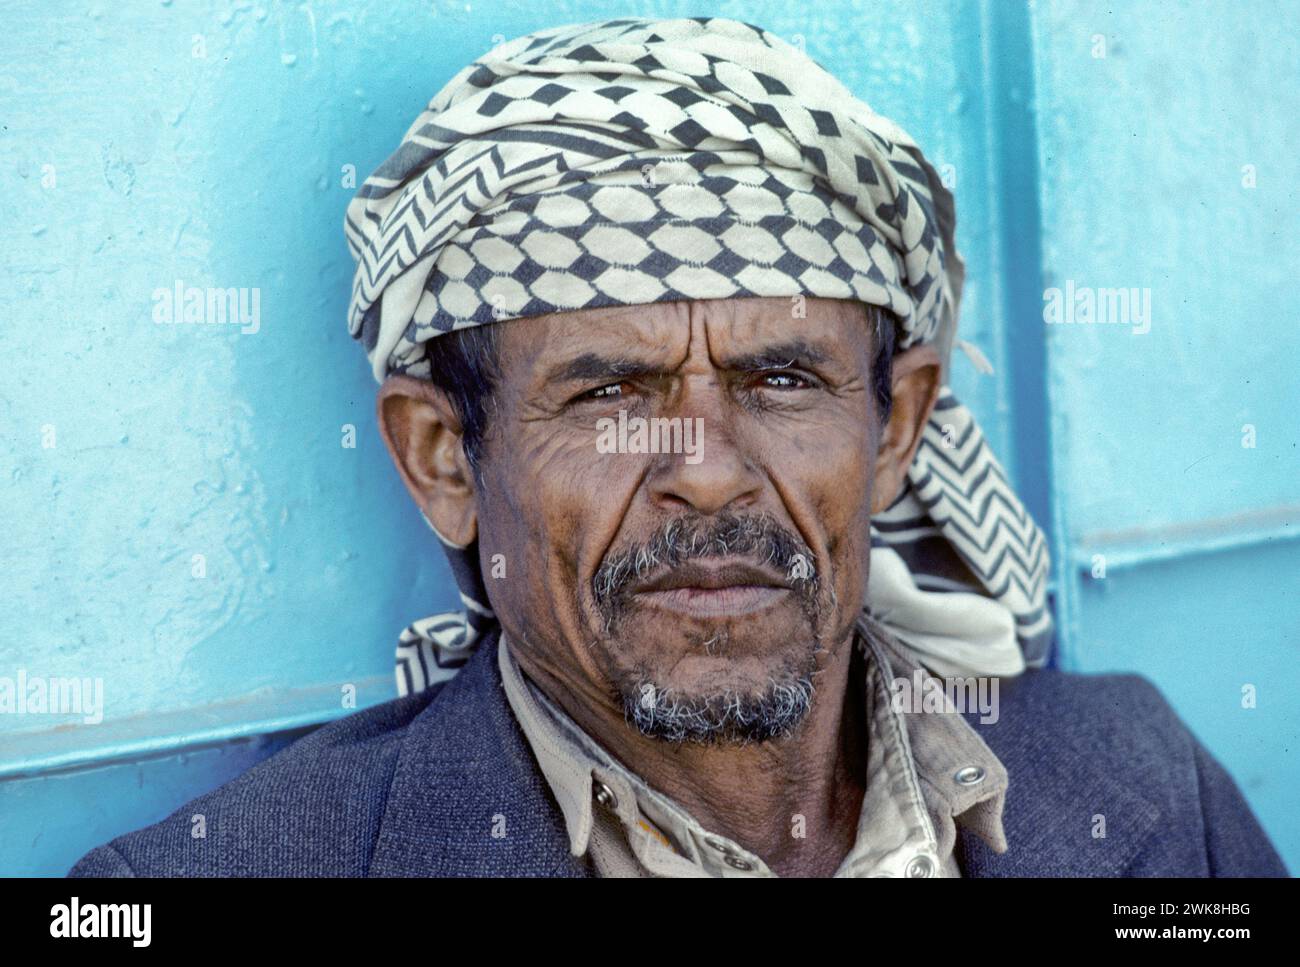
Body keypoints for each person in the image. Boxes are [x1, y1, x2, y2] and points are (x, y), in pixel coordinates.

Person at [69, 17, 1286, 878]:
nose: (704, 465)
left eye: (783, 377)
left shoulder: (1141, 778)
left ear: (895, 430)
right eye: (607, 391)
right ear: (445, 458)